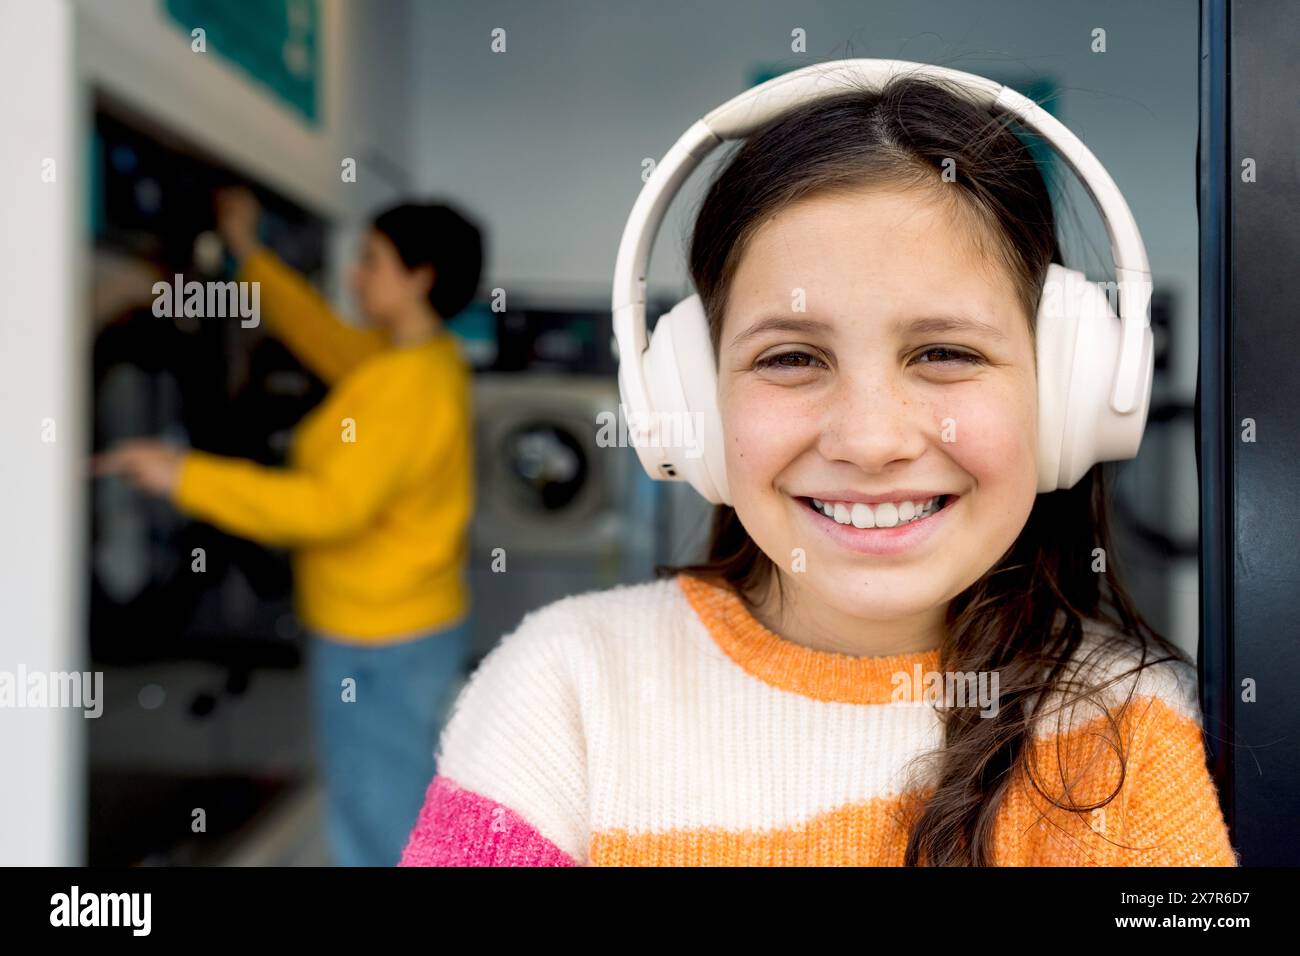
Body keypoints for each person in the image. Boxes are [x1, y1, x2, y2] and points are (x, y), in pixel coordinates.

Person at [396, 76, 1238, 866]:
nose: (870, 442)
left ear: (1067, 393)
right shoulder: (564, 692)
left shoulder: (1130, 727)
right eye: (793, 357)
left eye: (945, 352)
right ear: (688, 395)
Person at [94, 188, 483, 866]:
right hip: (405, 632)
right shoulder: (411, 361)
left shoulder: (405, 389)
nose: (353, 275)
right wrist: (249, 253)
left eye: (371, 261)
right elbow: (317, 332)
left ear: (420, 277)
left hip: (379, 643)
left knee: (378, 827)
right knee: (391, 806)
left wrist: (183, 475)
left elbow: (324, 508)